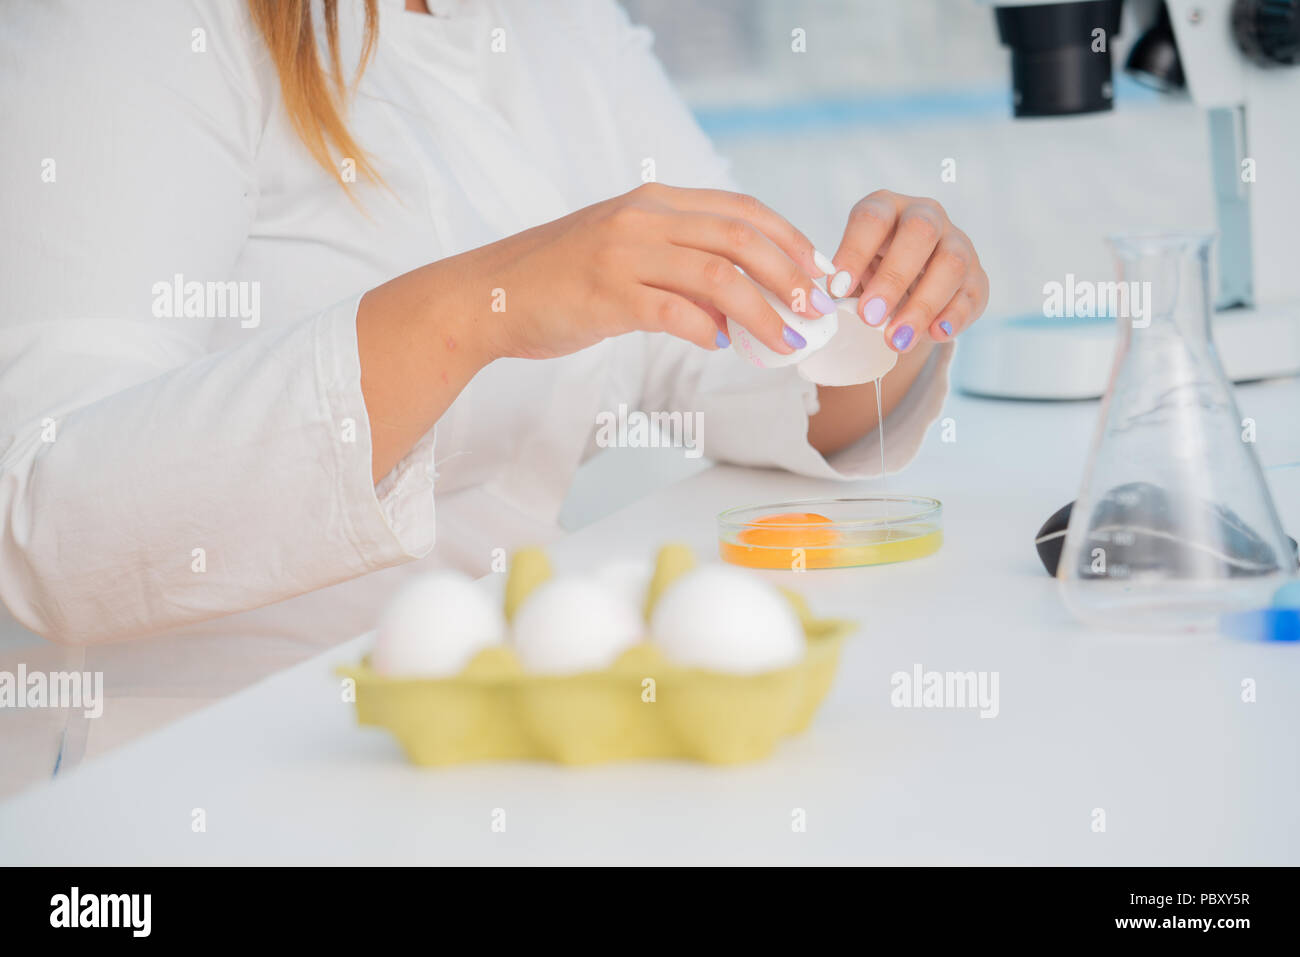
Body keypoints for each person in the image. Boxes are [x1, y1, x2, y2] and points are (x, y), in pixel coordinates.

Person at [0, 0, 987, 769]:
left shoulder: (556, 22)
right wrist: (481, 307)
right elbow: (51, 518)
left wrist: (880, 321)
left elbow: (708, 357)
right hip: (213, 762)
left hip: (509, 725)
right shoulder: (141, 27)